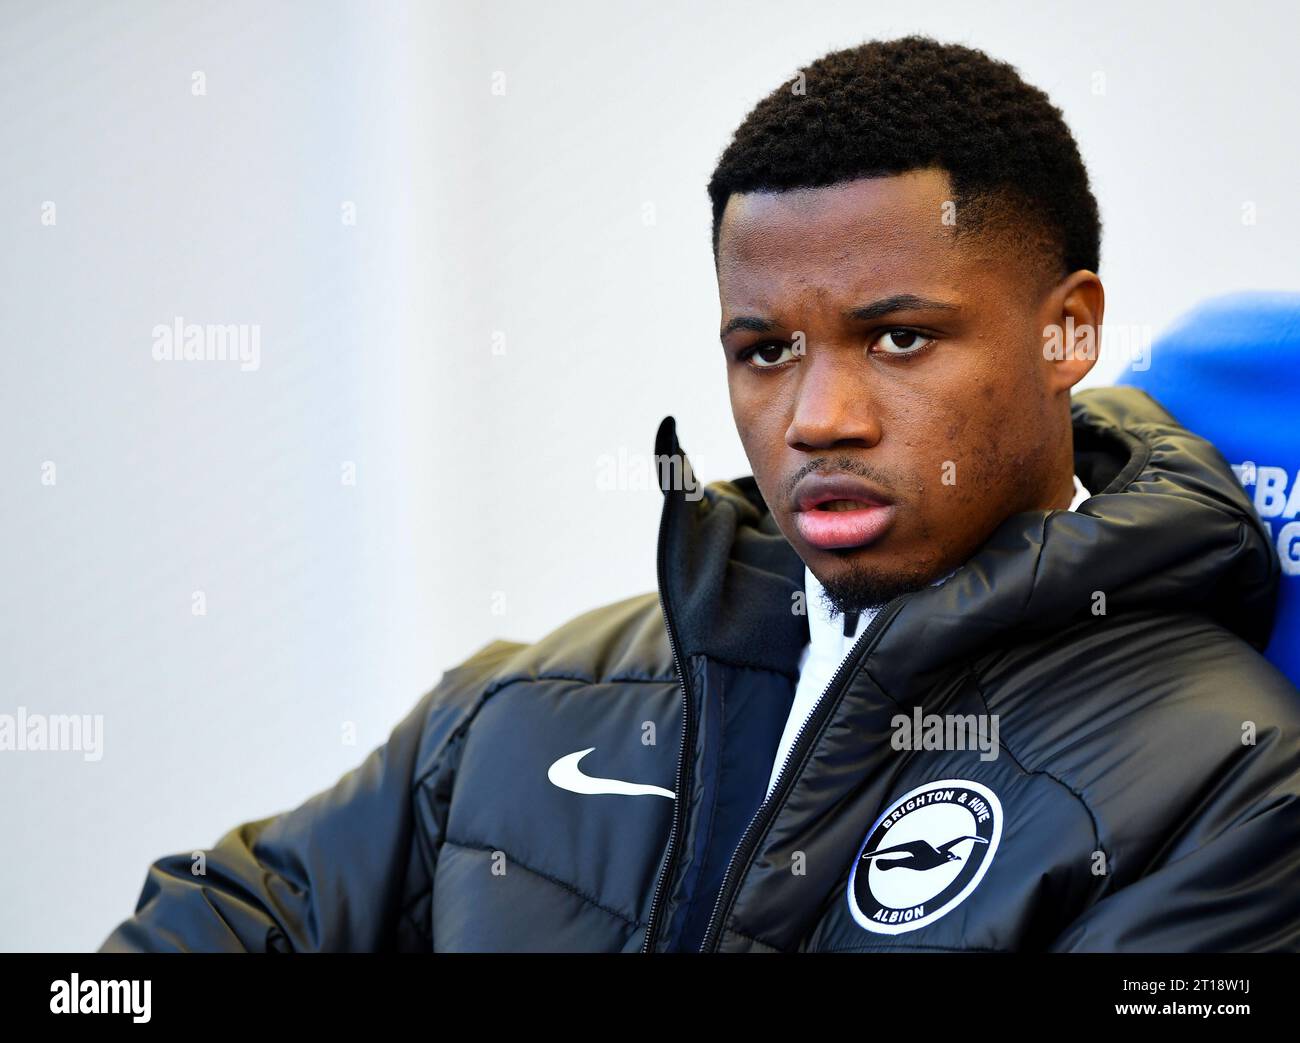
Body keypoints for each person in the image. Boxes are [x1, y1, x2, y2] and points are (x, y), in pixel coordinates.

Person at [100, 35, 1300, 953]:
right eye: (765, 350)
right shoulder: (525, 704)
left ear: (1065, 332)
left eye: (897, 338)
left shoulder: (1225, 777)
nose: (818, 416)